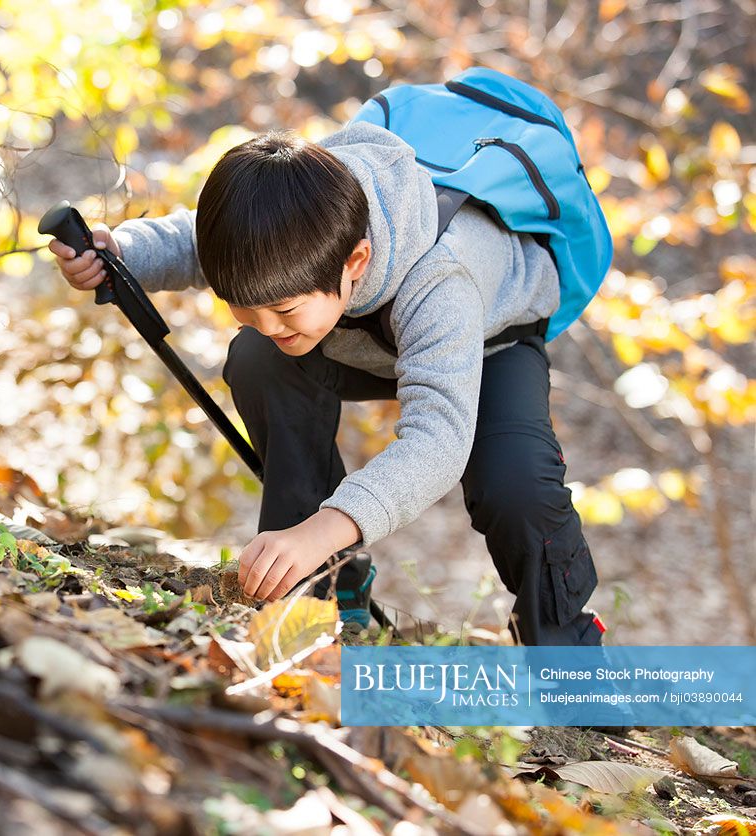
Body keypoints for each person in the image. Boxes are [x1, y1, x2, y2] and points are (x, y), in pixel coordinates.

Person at [48, 123, 603, 646]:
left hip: (489, 343)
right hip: (356, 336)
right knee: (258, 357)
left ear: (355, 260)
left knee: (516, 484)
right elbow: (201, 240)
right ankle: (319, 591)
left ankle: (567, 651)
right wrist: (122, 255)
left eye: (283, 307)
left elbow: (438, 444)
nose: (267, 324)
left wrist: (327, 527)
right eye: (243, 307)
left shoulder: (442, 279)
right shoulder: (298, 216)